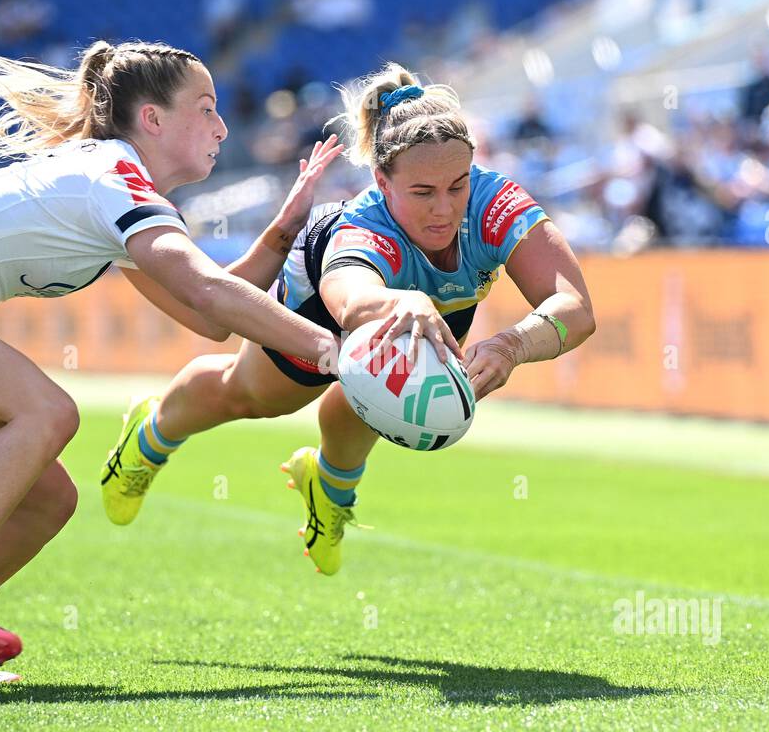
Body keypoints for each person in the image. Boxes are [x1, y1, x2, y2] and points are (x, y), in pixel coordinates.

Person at [0, 37, 343, 684]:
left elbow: (208, 317)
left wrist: (283, 231)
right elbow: (208, 290)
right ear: (154, 120)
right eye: (207, 107)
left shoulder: (110, 187)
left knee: (46, 498)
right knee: (47, 412)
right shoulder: (112, 177)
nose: (223, 125)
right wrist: (336, 350)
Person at [100, 63, 595, 576]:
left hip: (430, 304)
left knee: (375, 399)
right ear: (381, 181)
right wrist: (396, 303)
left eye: (457, 185)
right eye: (422, 192)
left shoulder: (497, 203)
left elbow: (575, 308)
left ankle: (330, 489)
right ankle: (149, 436)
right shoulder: (362, 226)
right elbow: (350, 301)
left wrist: (513, 344)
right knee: (251, 396)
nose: (444, 209)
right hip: (322, 293)